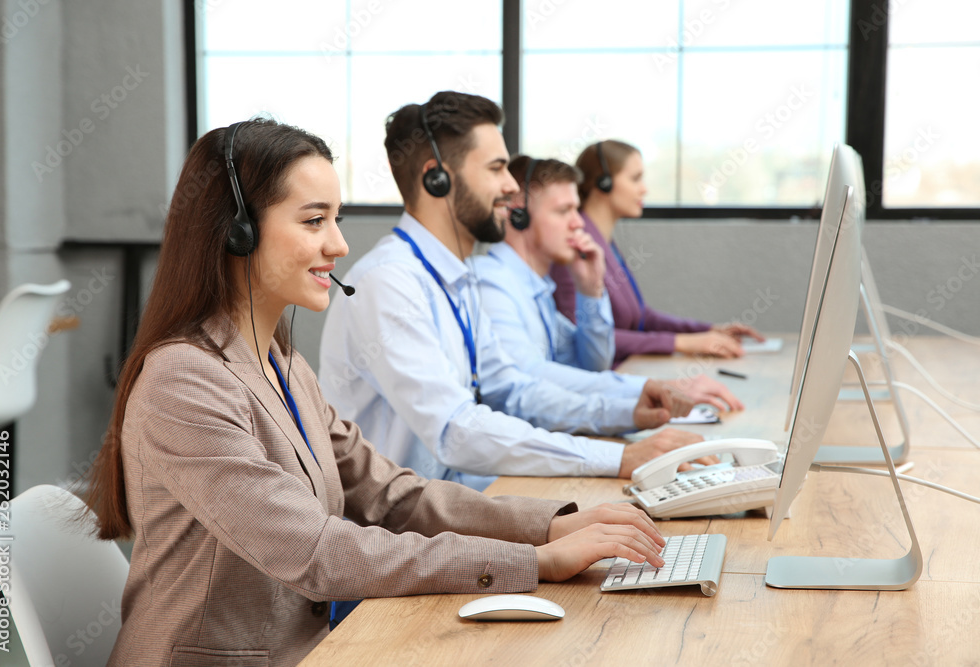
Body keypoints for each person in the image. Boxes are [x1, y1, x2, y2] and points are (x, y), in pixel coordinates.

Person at [83, 119, 668, 666]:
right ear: (236, 233)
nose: (338, 245)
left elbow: (393, 496)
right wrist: (532, 563)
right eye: (314, 221)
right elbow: (313, 551)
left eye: (334, 219)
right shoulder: (184, 382)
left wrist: (548, 526)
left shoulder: (282, 363)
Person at [320, 91, 712, 493]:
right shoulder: (388, 283)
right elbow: (455, 430)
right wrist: (619, 458)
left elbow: (514, 388)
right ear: (436, 177)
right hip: (404, 529)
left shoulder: (457, 278)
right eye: (496, 169)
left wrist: (628, 410)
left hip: (458, 497)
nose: (510, 187)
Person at [473, 155, 743, 411]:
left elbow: (592, 363)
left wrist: (591, 291)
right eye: (564, 211)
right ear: (518, 214)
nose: (578, 223)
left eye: (576, 210)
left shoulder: (535, 289)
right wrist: (650, 388)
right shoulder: (492, 283)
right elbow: (530, 375)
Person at [550, 140, 766, 366]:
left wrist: (708, 330)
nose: (644, 189)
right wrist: (680, 343)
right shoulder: (577, 247)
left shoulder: (604, 241)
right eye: (635, 178)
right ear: (604, 183)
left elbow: (641, 316)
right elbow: (582, 336)